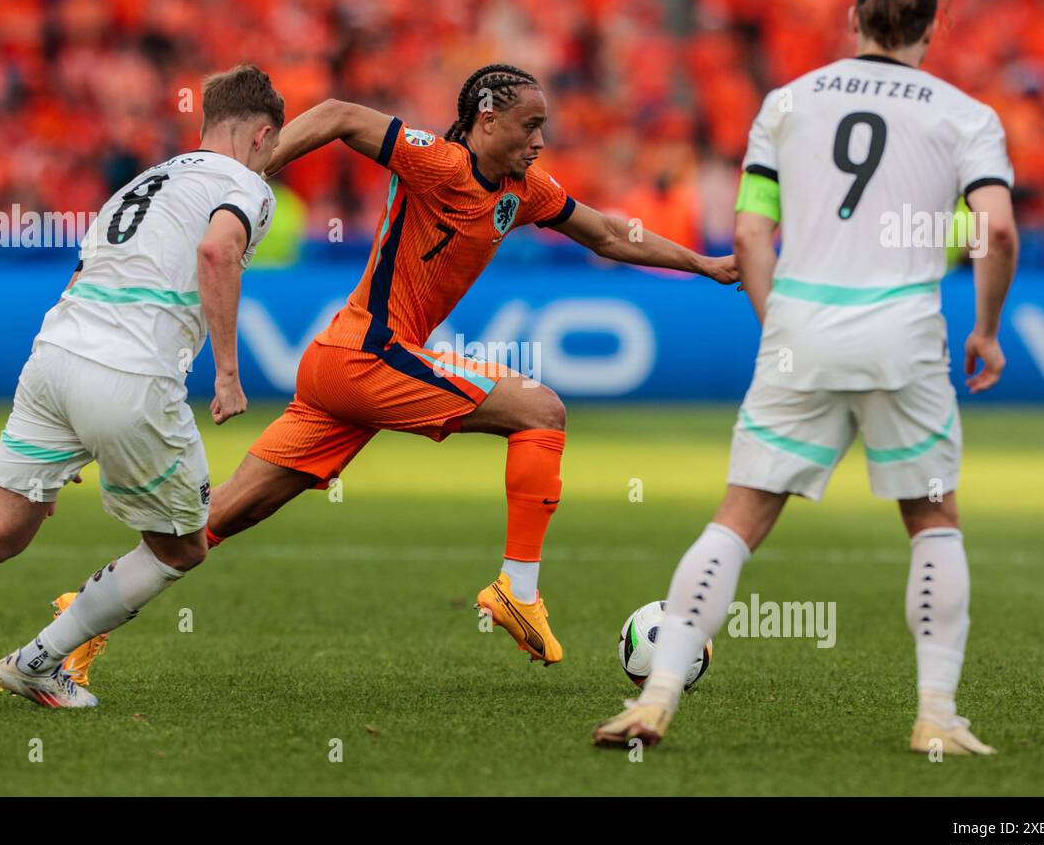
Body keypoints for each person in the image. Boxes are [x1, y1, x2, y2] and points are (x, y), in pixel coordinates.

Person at [593, 0, 1018, 754]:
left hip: (803, 329)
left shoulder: (786, 104)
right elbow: (996, 231)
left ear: (853, 17)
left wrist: (778, 322)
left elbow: (752, 232)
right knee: (932, 521)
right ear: (935, 24)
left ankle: (654, 701)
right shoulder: (966, 115)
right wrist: (986, 330)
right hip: (904, 338)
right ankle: (937, 717)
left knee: (739, 519)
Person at [205, 63, 739, 666]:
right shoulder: (439, 163)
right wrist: (242, 177)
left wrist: (706, 264)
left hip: (352, 366)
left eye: (544, 127)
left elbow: (610, 236)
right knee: (540, 410)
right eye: (529, 125)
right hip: (366, 355)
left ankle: (81, 617)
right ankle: (519, 590)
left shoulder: (523, 189)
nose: (540, 142)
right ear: (486, 119)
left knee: (226, 513)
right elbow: (337, 114)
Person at [0, 63, 284, 708]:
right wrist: (228, 373)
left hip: (55, 356)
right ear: (263, 135)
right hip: (131, 375)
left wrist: (76, 423)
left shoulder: (144, 181)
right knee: (181, 548)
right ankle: (40, 660)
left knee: (1, 531)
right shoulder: (244, 183)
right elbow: (217, 251)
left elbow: (80, 279)